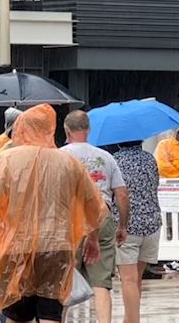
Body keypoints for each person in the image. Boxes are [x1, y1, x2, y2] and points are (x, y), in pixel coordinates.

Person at [0, 104, 107, 323]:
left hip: (16, 245)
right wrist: (93, 238)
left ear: (21, 128)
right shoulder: (69, 162)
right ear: (51, 129)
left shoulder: (6, 159)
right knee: (51, 312)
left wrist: (1, 231)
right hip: (57, 246)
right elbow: (93, 204)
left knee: (16, 314)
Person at [61, 111, 129, 323]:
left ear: (66, 130)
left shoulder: (59, 156)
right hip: (102, 215)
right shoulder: (106, 157)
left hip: (70, 220)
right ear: (88, 130)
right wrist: (122, 226)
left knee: (64, 280)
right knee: (101, 283)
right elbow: (122, 194)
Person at [111, 141, 160, 323]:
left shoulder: (115, 161)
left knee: (128, 280)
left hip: (127, 227)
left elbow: (118, 194)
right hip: (151, 224)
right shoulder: (150, 159)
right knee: (136, 278)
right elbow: (155, 185)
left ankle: (133, 320)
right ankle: (130, 318)